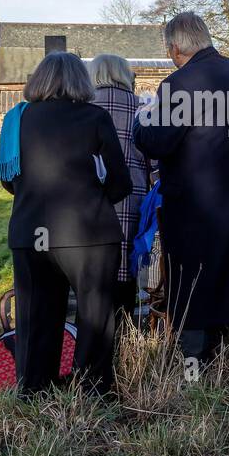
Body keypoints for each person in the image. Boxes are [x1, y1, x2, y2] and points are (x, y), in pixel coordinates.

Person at [133, 12, 229, 361]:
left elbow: (158, 141)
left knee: (193, 279)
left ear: (175, 47)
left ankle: (196, 362)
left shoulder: (178, 84)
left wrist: (139, 121)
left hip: (193, 199)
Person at [2, 53, 130, 395]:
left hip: (31, 231)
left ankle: (32, 390)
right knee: (94, 315)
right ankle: (92, 390)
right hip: (89, 231)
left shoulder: (18, 118)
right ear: (81, 80)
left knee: (35, 317)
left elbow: (8, 180)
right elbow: (121, 182)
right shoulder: (95, 117)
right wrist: (96, 194)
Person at [88, 53, 153, 325]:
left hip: (92, 199)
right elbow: (155, 158)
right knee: (127, 266)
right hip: (133, 196)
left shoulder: (84, 107)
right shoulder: (143, 109)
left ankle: (95, 331)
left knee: (94, 269)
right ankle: (126, 331)